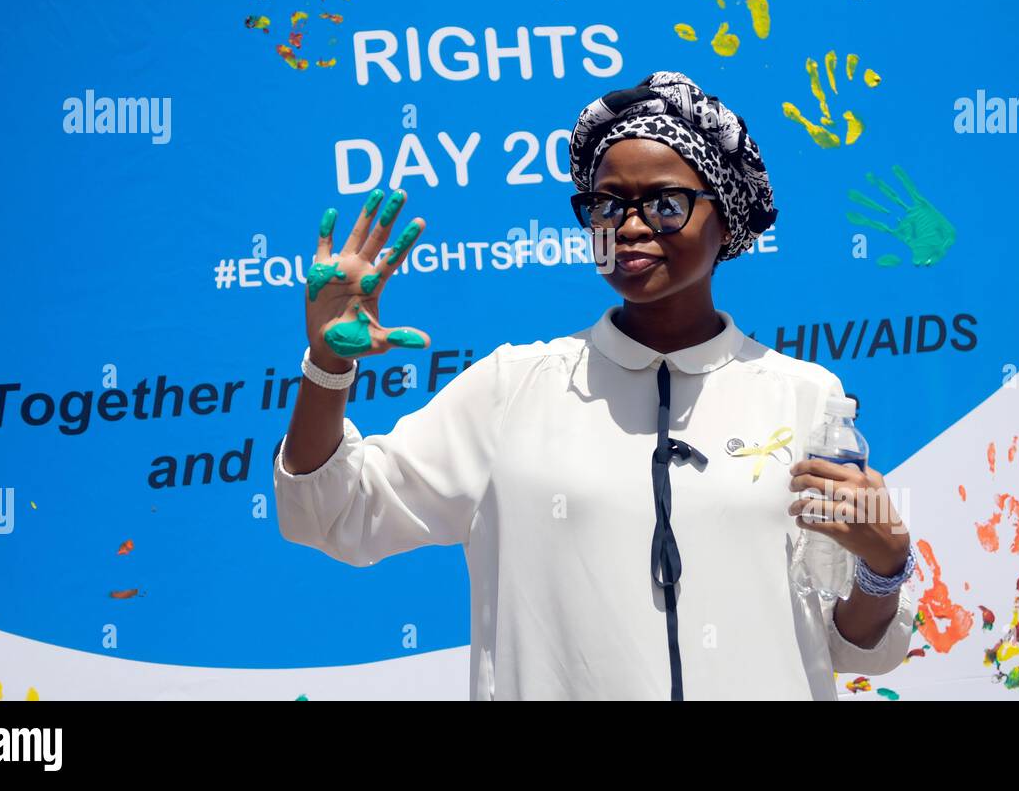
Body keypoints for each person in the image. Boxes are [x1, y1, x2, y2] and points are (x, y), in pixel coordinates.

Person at [274, 70, 916, 701]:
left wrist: (882, 567)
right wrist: (327, 366)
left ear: (725, 221)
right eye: (606, 204)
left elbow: (848, 645)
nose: (631, 226)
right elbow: (336, 512)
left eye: (667, 203)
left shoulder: (803, 395)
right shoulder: (512, 389)